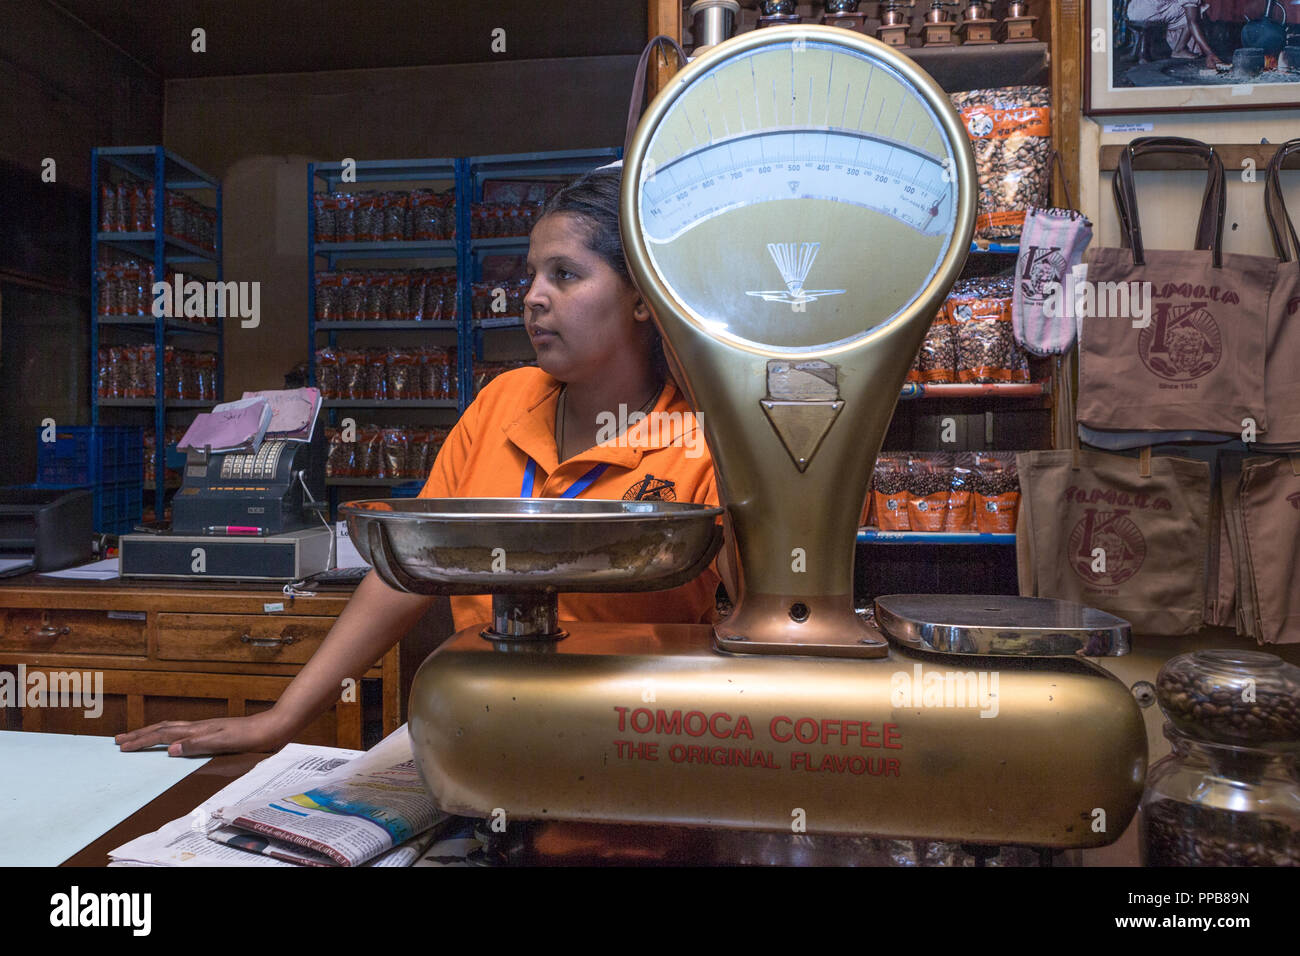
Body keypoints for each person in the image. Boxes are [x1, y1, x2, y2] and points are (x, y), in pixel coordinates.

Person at [116, 166, 732, 758]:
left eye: (565, 275)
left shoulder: (703, 438)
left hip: (630, 745)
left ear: (645, 298)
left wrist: (720, 391)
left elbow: (762, 611)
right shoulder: (503, 402)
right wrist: (282, 718)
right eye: (531, 274)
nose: (532, 298)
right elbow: (405, 572)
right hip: (482, 728)